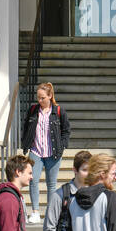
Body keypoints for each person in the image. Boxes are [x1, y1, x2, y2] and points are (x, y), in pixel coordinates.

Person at [21, 82, 71, 223]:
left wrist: (62, 146)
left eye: (42, 97)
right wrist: (25, 142)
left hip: (53, 152)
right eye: (38, 97)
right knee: (33, 180)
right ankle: (35, 212)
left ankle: (50, 213)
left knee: (51, 184)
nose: (40, 100)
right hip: (36, 151)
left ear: (50, 96)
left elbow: (66, 130)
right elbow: (26, 128)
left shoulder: (58, 111)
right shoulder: (33, 110)